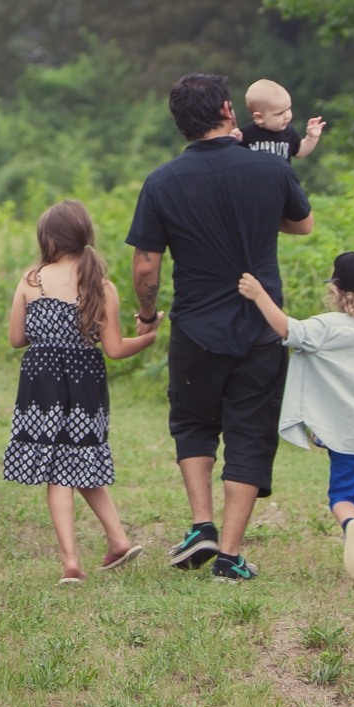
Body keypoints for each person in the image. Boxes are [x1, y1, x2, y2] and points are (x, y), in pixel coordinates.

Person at [127, 73, 314, 584]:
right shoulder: (269, 168)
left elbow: (145, 265)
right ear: (229, 111)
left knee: (192, 423)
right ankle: (230, 556)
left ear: (180, 124)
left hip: (196, 325)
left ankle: (201, 525)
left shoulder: (162, 181)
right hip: (261, 326)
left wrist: (146, 315)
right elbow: (303, 224)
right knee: (251, 433)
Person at [4, 200, 161, 584]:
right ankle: (118, 540)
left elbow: (15, 339)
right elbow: (114, 350)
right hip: (86, 384)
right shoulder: (101, 286)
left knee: (59, 471)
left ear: (49, 239)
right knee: (81, 459)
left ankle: (72, 561)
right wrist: (151, 337)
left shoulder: (32, 279)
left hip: (41, 384)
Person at [237, 251, 354, 583]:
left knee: (344, 497)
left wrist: (259, 294)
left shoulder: (326, 327)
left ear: (335, 289)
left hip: (348, 438)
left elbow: (285, 328)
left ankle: (352, 524)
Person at [239, 79, 326, 162]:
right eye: (279, 113)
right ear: (259, 117)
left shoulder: (289, 132)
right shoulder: (245, 135)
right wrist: (232, 141)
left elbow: (300, 152)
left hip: (281, 177)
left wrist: (312, 137)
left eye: (288, 109)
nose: (287, 116)